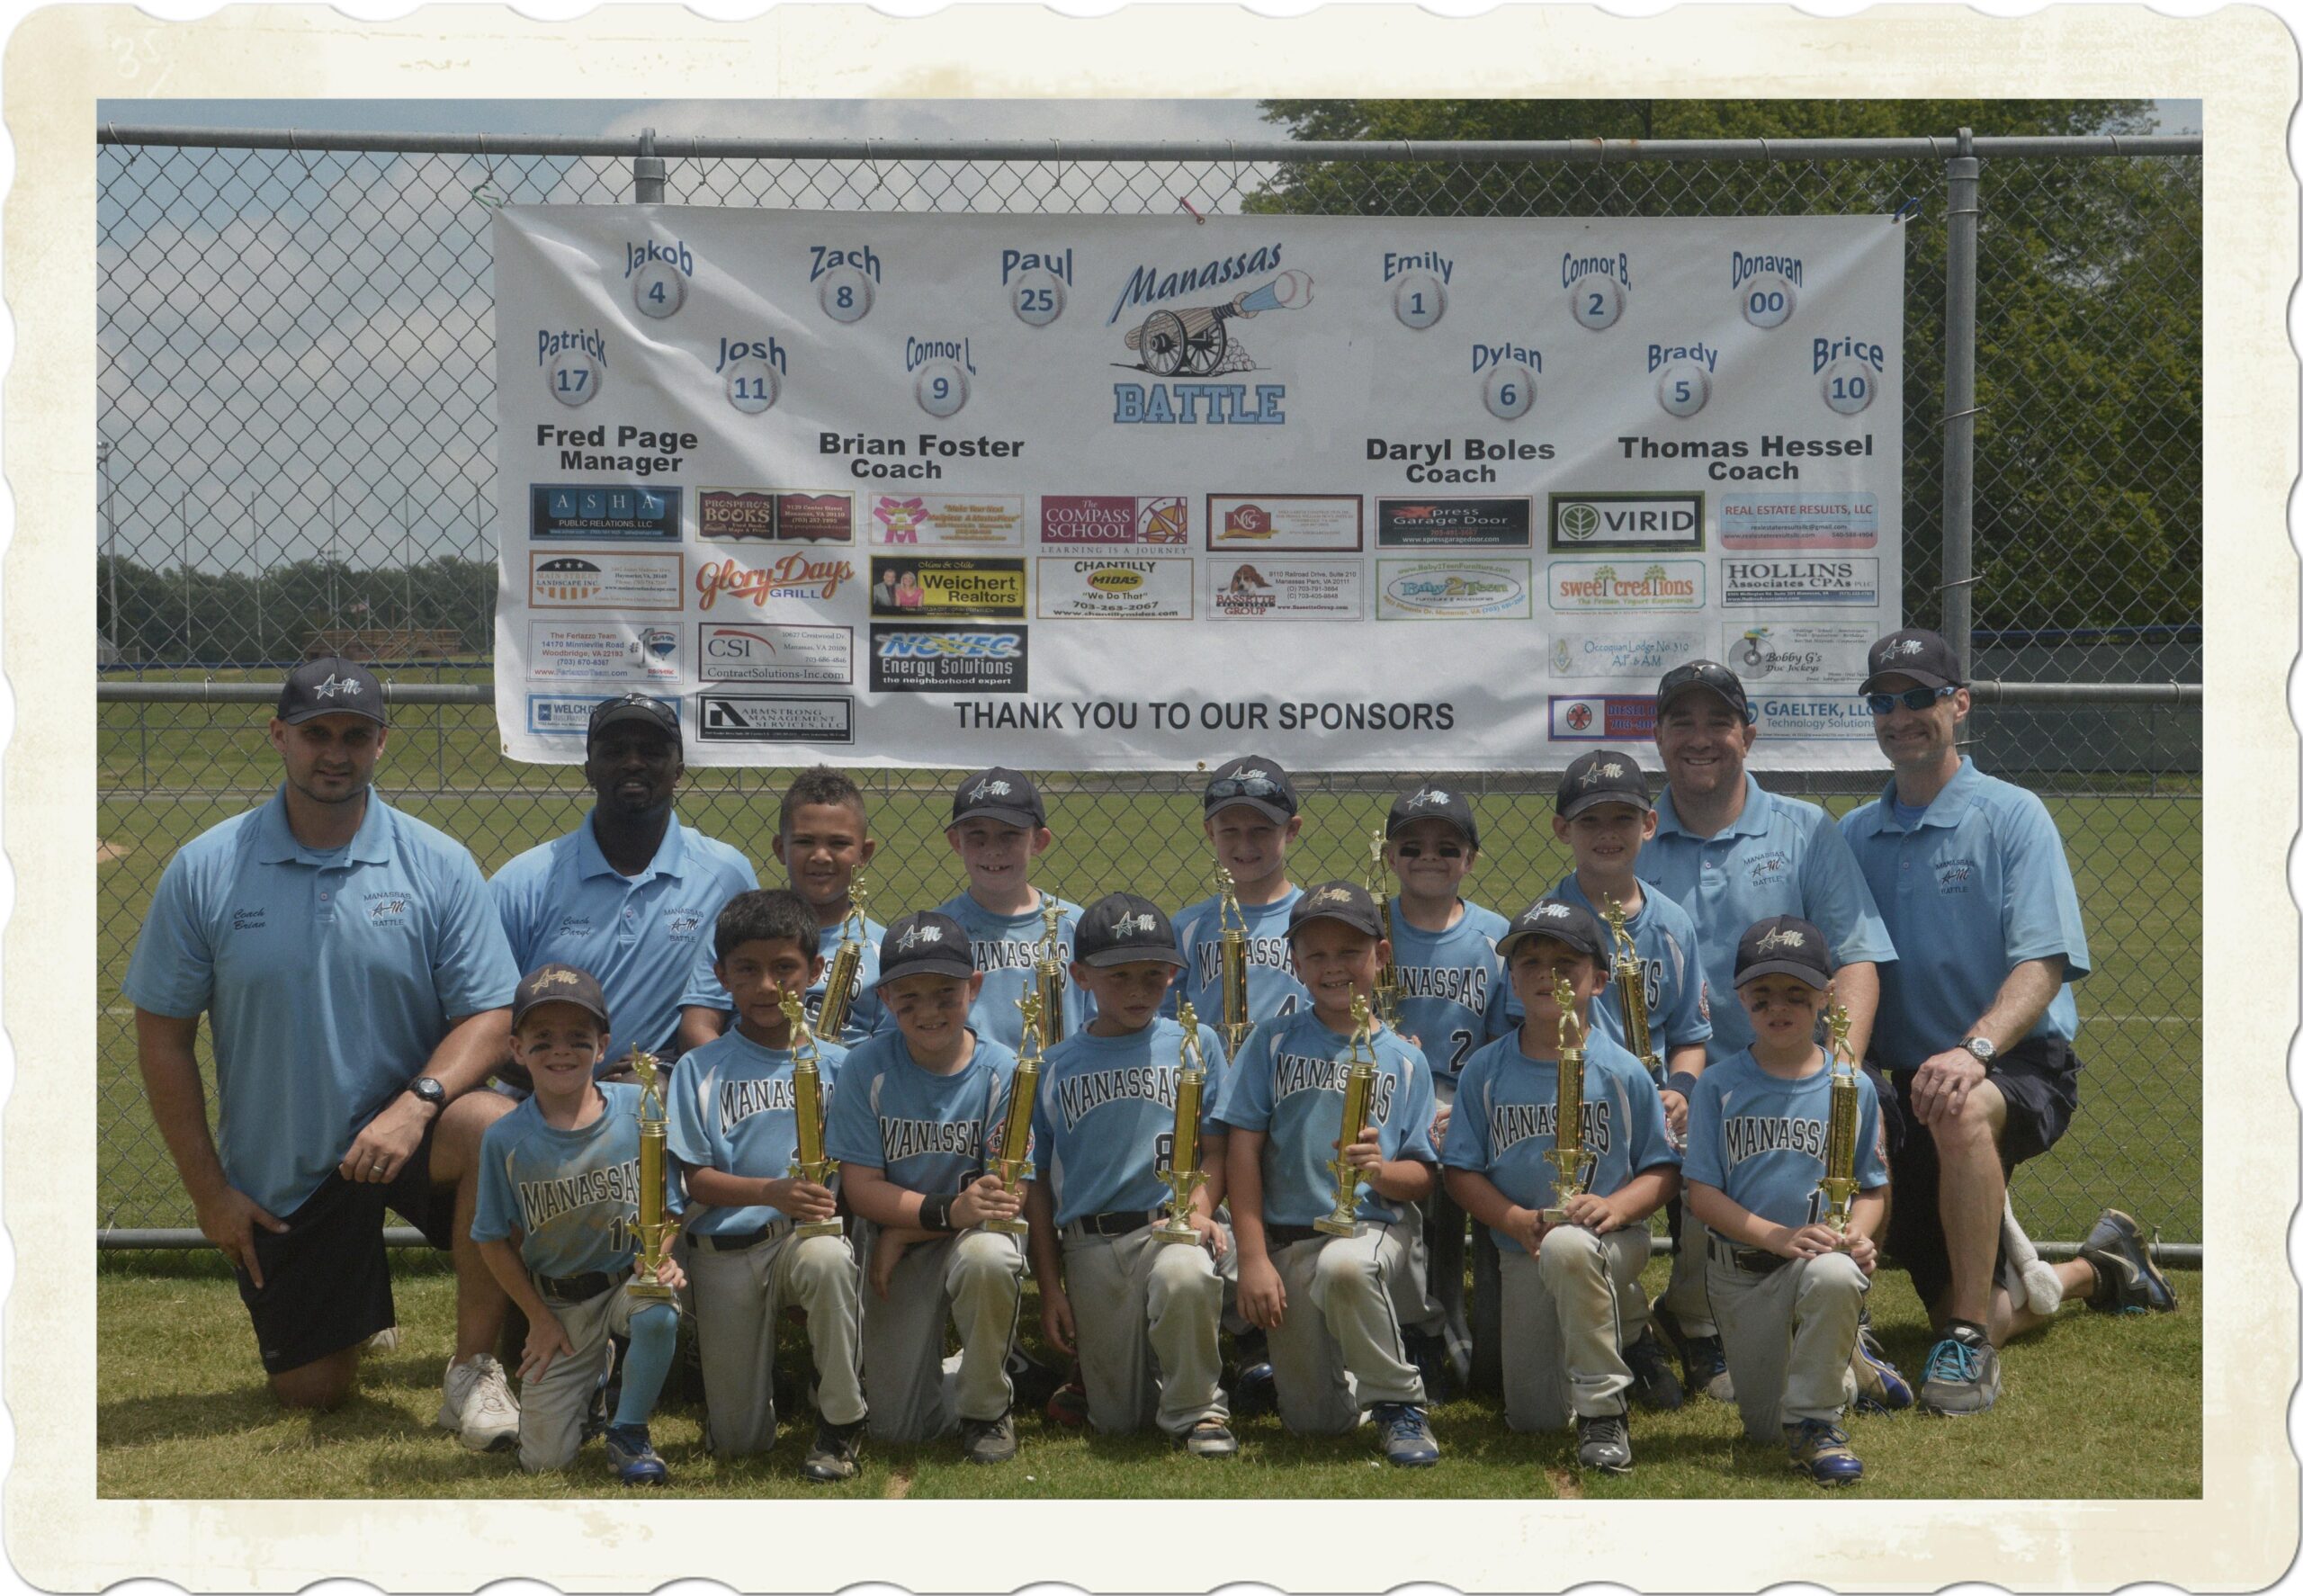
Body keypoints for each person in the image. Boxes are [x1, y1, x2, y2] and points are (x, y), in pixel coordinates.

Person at [122, 657, 524, 1443]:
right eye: (316, 735)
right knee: (312, 1392)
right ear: (279, 736)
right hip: (291, 1165)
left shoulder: (437, 862)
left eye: (355, 736)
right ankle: (356, 1306)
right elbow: (162, 1036)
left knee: (492, 1128)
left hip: (409, 1130)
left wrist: (418, 1104)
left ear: (381, 743)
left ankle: (473, 1372)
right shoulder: (206, 867)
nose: (335, 754)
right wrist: (210, 1194)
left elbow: (490, 1012)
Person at [1839, 629, 2176, 1416]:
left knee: (1958, 1109)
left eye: (1918, 697)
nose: (1900, 716)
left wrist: (1975, 1050)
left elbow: (2043, 962)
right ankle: (2101, 1269)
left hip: (2014, 1065)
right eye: (1884, 702)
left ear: (1958, 704)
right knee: (1991, 1304)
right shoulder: (1852, 833)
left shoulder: (2013, 815)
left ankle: (1967, 1345)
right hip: (1903, 1084)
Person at [1637, 659, 1901, 1407]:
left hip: (1787, 1062)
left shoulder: (1804, 827)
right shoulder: (1635, 836)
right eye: (1682, 722)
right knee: (1690, 1123)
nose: (1700, 738)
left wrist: (1836, 1079)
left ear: (1748, 735)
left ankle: (1838, 1302)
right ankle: (1691, 1319)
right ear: (1658, 737)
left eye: (1718, 721)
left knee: (1865, 1113)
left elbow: (1856, 958)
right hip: (1679, 1078)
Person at [1440, 899, 1680, 1475]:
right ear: (1512, 979)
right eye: (1531, 962)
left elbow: (1665, 1169)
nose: (1548, 975)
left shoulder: (1622, 1070)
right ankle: (1621, 1322)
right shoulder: (1487, 1070)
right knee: (1535, 1417)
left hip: (1608, 1240)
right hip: (1523, 1246)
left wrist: (1617, 1207)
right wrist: (1513, 1220)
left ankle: (1604, 1409)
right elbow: (1460, 1172)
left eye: (1566, 963)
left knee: (1572, 1247)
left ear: (1599, 980)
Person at [1216, 881, 1443, 1467]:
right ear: (1294, 963)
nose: (1333, 966)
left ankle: (1399, 1404)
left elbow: (1422, 1177)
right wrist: (1254, 1256)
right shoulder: (1271, 1043)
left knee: (1345, 1266)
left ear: (1381, 956)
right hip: (1288, 1241)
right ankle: (1348, 1379)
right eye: (1315, 954)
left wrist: (1381, 1171)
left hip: (1372, 1229)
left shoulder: (1406, 1059)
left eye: (1349, 951)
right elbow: (1242, 1152)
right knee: (1314, 1424)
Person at [1023, 892, 1236, 1455]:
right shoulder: (1055, 1066)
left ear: (1173, 974)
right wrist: (1051, 1287)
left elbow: (1217, 1150)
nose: (1139, 990)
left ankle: (1200, 1411)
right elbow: (1037, 1184)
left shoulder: (1195, 1044)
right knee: (1119, 1421)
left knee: (1186, 1274)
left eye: (1153, 975)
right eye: (1119, 976)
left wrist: (1197, 1210)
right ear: (1081, 976)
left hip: (1170, 1224)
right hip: (1091, 1244)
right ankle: (1114, 1375)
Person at [668, 889, 867, 1481]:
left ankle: (840, 1420)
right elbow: (696, 1178)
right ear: (721, 976)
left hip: (805, 1240)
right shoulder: (700, 1068)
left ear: (816, 970)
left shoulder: (840, 1066)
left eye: (784, 968)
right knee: (739, 1443)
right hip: (727, 1249)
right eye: (747, 970)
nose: (765, 986)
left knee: (829, 1259)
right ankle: (744, 1384)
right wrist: (769, 1192)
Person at [1683, 917, 1891, 1485]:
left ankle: (1817, 1424)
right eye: (1763, 994)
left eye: (1797, 994)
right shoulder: (1718, 1086)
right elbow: (1702, 1195)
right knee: (1763, 1429)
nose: (1779, 1007)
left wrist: (1858, 1233)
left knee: (1836, 1274)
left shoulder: (1851, 1087)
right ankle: (1848, 1370)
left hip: (1815, 1266)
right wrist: (1776, 1236)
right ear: (1740, 997)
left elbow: (1872, 1187)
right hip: (1743, 1272)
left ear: (1826, 996)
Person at [823, 910, 1029, 1463]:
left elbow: (1009, 1199)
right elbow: (861, 1188)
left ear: (974, 987)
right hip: (911, 1233)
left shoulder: (1003, 1070)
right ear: (885, 998)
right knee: (899, 1429)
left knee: (990, 1258)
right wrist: (936, 1217)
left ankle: (987, 1407)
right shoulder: (866, 1067)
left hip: (969, 1234)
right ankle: (963, 1368)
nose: (929, 1011)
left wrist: (908, 1231)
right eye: (909, 997)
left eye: (945, 993)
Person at [470, 964, 685, 1483]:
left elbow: (671, 1206)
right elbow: (492, 1240)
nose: (560, 1051)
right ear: (517, 1049)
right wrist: (537, 1318)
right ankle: (594, 1384)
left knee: (658, 1307)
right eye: (542, 1040)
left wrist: (658, 1260)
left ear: (603, 1045)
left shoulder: (641, 1109)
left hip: (626, 1282)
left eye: (578, 1038)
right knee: (544, 1460)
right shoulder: (505, 1138)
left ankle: (628, 1432)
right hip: (559, 1304)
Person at [1546, 748, 1711, 1411]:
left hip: (1657, 1099)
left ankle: (1694, 1318)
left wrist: (1682, 1090)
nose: (1607, 833)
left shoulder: (1671, 923)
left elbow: (1692, 1035)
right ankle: (1631, 1327)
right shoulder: (1547, 924)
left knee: (1709, 1173)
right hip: (1574, 1100)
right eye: (1590, 821)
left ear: (1649, 824)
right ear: (1563, 830)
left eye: (1622, 818)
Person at [492, 693, 757, 1071]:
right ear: (589, 770)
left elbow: (748, 1005)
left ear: (678, 771)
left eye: (651, 752)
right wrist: (574, 1085)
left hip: (671, 1087)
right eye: (615, 752)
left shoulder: (726, 876)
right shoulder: (523, 882)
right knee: (473, 1106)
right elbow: (483, 1018)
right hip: (541, 1087)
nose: (633, 763)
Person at [1379, 783, 1513, 1394]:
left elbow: (1506, 1042)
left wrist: (1470, 1108)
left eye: (1447, 847)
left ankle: (1458, 1317)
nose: (1429, 857)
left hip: (1467, 1100)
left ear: (1471, 859)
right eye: (1412, 846)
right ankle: (1414, 1322)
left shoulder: (1494, 935)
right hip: (1386, 1102)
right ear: (1389, 856)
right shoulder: (1372, 926)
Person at [680, 765, 887, 1050]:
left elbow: (893, 1047)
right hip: (747, 1074)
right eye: (804, 841)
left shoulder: (883, 949)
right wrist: (732, 1070)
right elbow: (697, 1026)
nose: (821, 856)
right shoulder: (742, 931)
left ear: (864, 853)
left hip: (847, 1077)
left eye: (838, 843)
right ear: (780, 848)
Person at [936, 767, 1089, 1048]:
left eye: (1009, 835)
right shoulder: (939, 931)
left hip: (1059, 1073)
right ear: (956, 841)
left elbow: (1100, 1024)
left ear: (1039, 841)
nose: (993, 849)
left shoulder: (1076, 926)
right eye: (977, 835)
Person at [1168, 755, 1313, 1027]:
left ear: (1292, 829)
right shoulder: (1187, 927)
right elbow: (1166, 1023)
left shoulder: (1315, 920)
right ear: (1211, 832)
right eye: (1230, 831)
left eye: (1261, 830)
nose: (1245, 845)